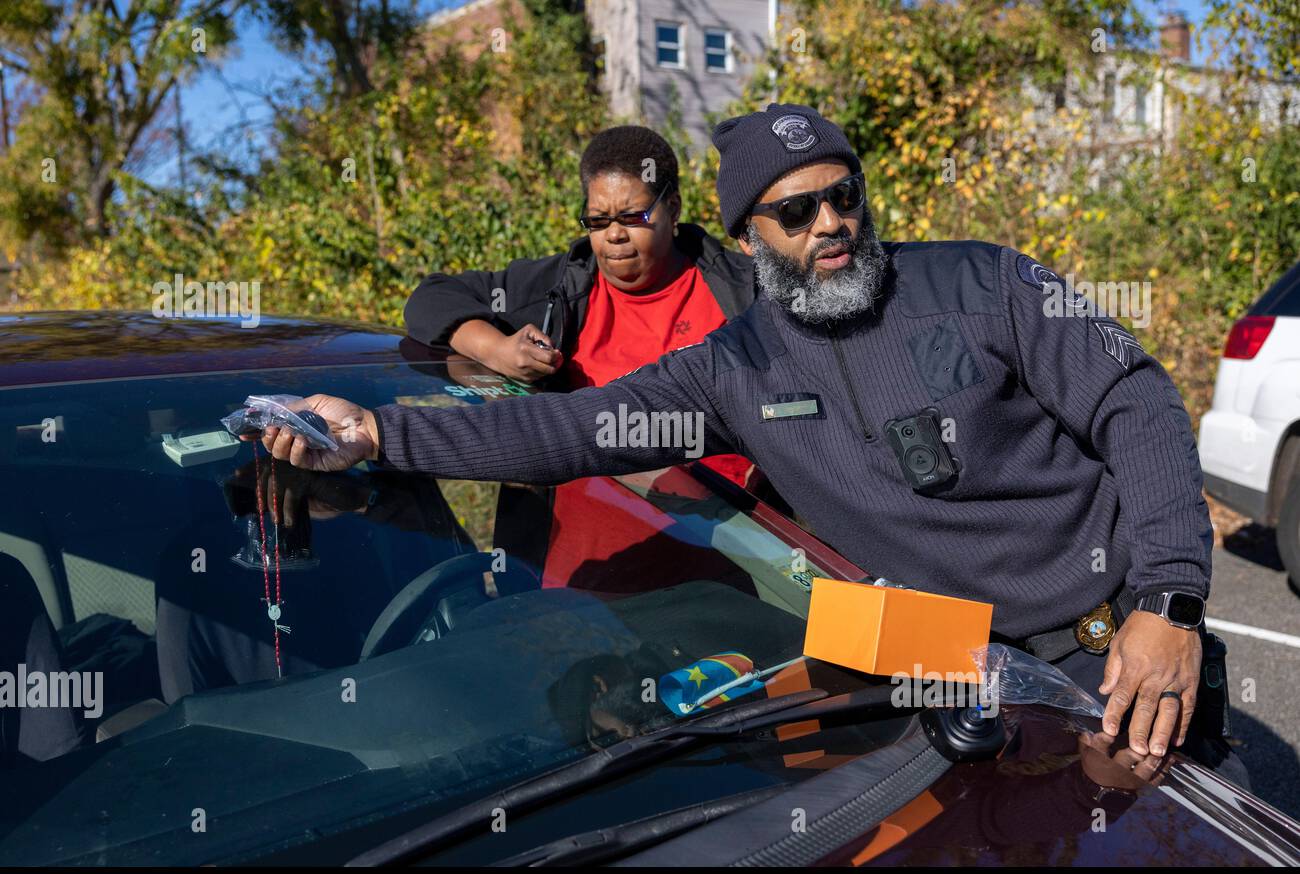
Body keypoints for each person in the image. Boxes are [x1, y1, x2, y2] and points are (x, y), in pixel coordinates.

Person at [244, 103, 1244, 788]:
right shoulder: (733, 368)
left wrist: (1168, 600)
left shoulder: (984, 283)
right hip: (944, 674)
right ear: (750, 231)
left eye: (844, 193)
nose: (833, 223)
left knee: (1169, 868)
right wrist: (379, 429)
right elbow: (563, 427)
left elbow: (1136, 403)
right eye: (797, 210)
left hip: (1112, 650)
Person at [403, 125, 770, 587]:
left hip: (728, 583)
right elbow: (431, 298)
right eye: (597, 221)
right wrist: (497, 349)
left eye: (632, 217)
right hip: (576, 590)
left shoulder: (743, 289)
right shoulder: (562, 288)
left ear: (672, 208)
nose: (613, 236)